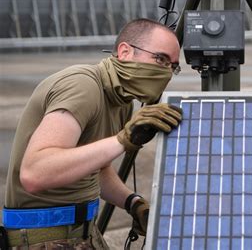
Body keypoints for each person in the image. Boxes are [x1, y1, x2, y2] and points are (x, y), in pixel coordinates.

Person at [1, 18, 183, 249]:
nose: (166, 72)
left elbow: (95, 168)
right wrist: (122, 140)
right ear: (125, 52)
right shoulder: (82, 86)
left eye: (172, 66)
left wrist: (132, 202)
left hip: (82, 233)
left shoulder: (121, 99)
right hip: (43, 239)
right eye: (160, 58)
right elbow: (35, 173)